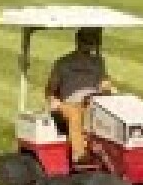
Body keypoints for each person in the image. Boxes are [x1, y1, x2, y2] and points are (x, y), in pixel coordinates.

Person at [45, 27, 116, 163]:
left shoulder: (98, 62)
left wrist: (109, 89)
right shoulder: (63, 63)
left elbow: (104, 83)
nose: (89, 45)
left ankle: (114, 156)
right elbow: (50, 89)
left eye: (92, 41)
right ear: (79, 41)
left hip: (91, 104)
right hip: (68, 105)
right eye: (86, 41)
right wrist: (53, 100)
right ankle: (79, 155)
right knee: (75, 114)